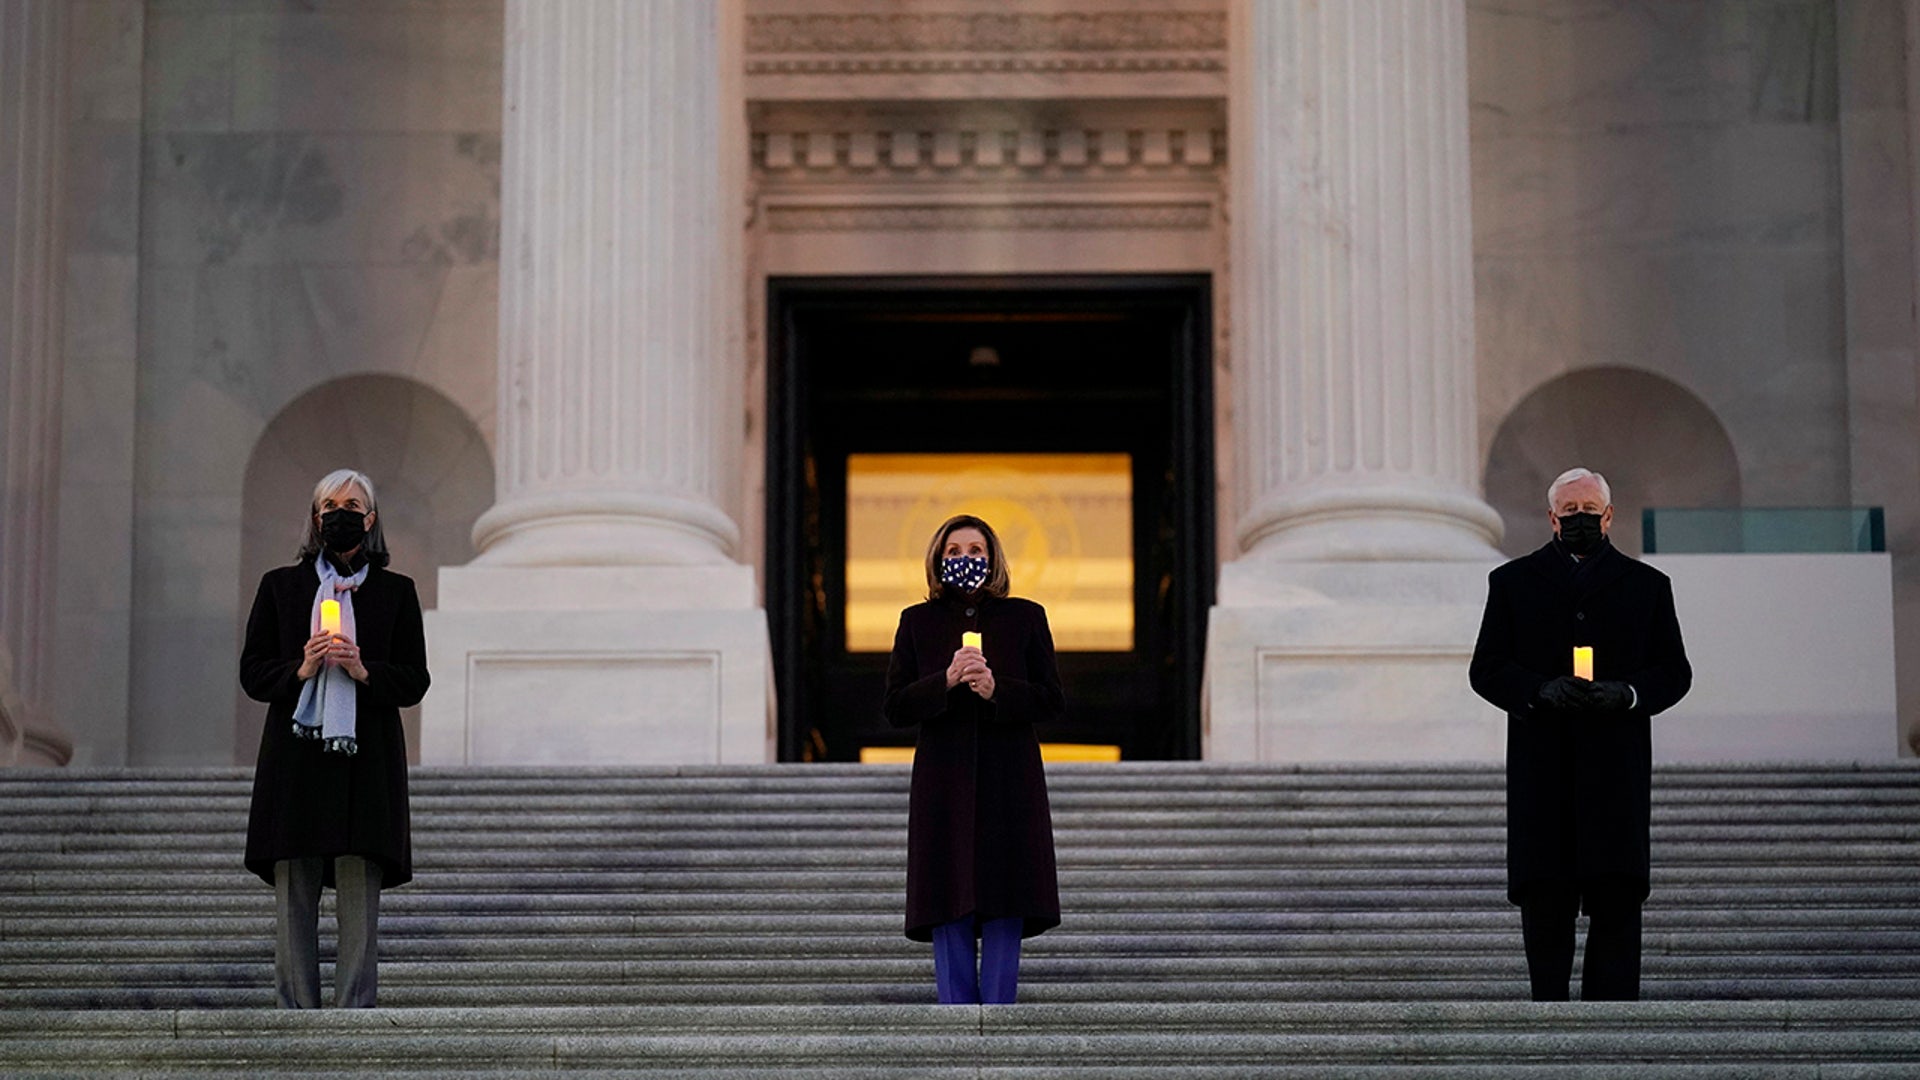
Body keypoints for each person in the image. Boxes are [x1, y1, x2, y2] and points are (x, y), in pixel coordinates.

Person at [1469, 467, 1692, 1002]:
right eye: (1569, 512)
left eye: (1589, 510)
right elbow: (1487, 668)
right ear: (1551, 518)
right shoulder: (1512, 583)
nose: (1580, 520)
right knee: (1545, 898)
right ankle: (1548, 1014)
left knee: (1616, 897)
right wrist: (1538, 690)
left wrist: (1627, 694)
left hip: (1615, 773)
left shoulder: (1647, 587)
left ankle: (1611, 1027)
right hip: (1542, 772)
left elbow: (1674, 672)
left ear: (1609, 515)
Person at [239, 469, 429, 1008]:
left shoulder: (396, 592)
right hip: (295, 762)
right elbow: (253, 672)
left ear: (369, 520)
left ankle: (353, 1017)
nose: (338, 512)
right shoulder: (281, 587)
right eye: (328, 504)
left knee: (357, 901)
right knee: (294, 893)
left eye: (351, 503)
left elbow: (415, 679)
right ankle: (294, 1013)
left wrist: (364, 671)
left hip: (364, 765)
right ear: (315, 517)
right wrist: (301, 667)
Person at [882, 514, 1063, 1004]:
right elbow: (895, 706)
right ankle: (956, 1012)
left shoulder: (1026, 617)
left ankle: (1000, 1007)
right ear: (939, 560)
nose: (966, 560)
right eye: (955, 551)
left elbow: (1052, 699)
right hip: (944, 779)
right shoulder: (916, 622)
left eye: (976, 550)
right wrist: (943, 680)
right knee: (948, 891)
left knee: (1007, 890)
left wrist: (995, 688)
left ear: (993, 558)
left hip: (1011, 779)